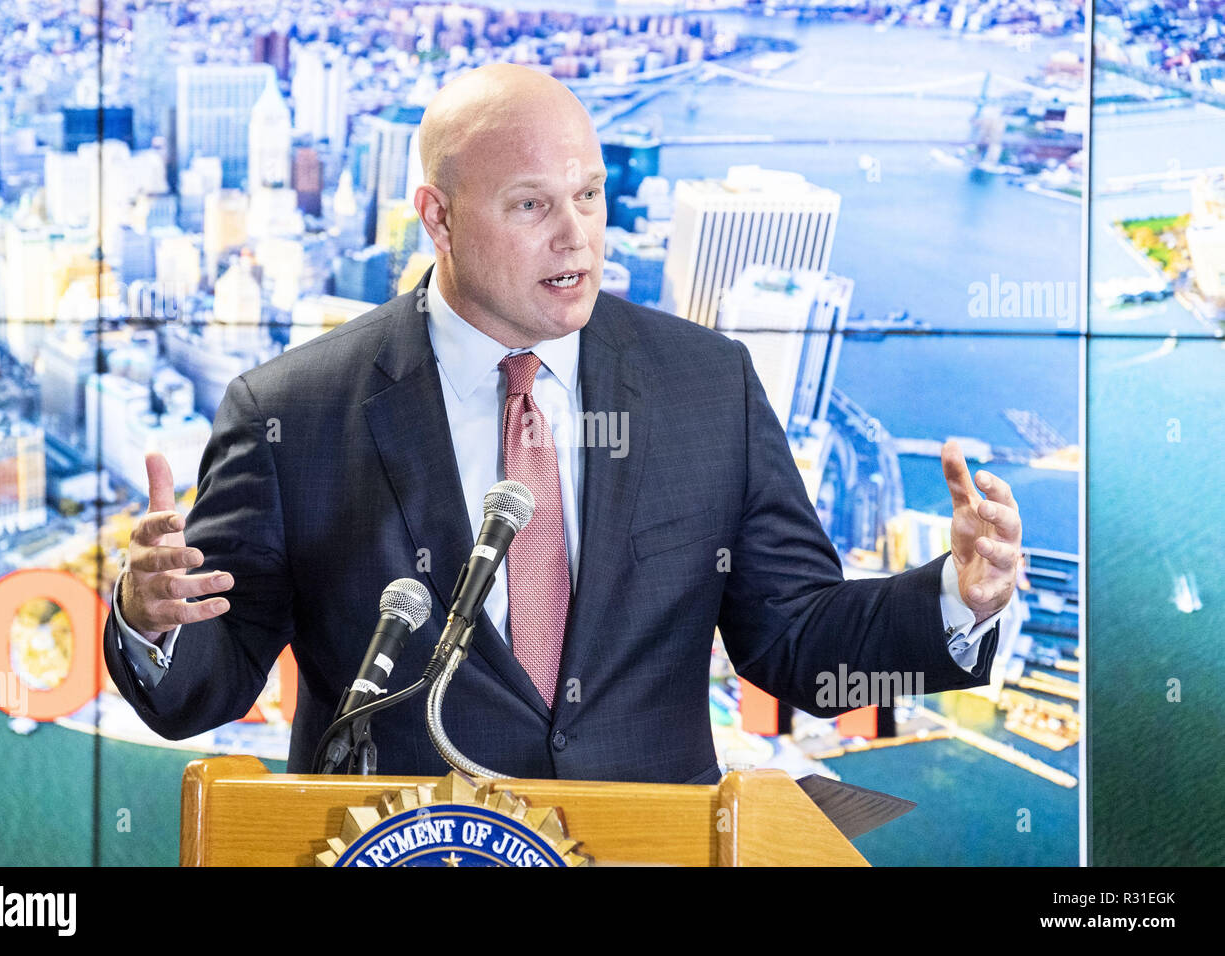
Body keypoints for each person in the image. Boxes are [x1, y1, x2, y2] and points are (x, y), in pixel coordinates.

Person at [104, 64, 1023, 782]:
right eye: (532, 205)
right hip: (400, 851)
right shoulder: (290, 415)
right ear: (439, 218)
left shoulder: (710, 385)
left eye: (587, 195)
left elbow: (798, 644)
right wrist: (151, 623)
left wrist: (959, 599)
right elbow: (202, 691)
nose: (576, 235)